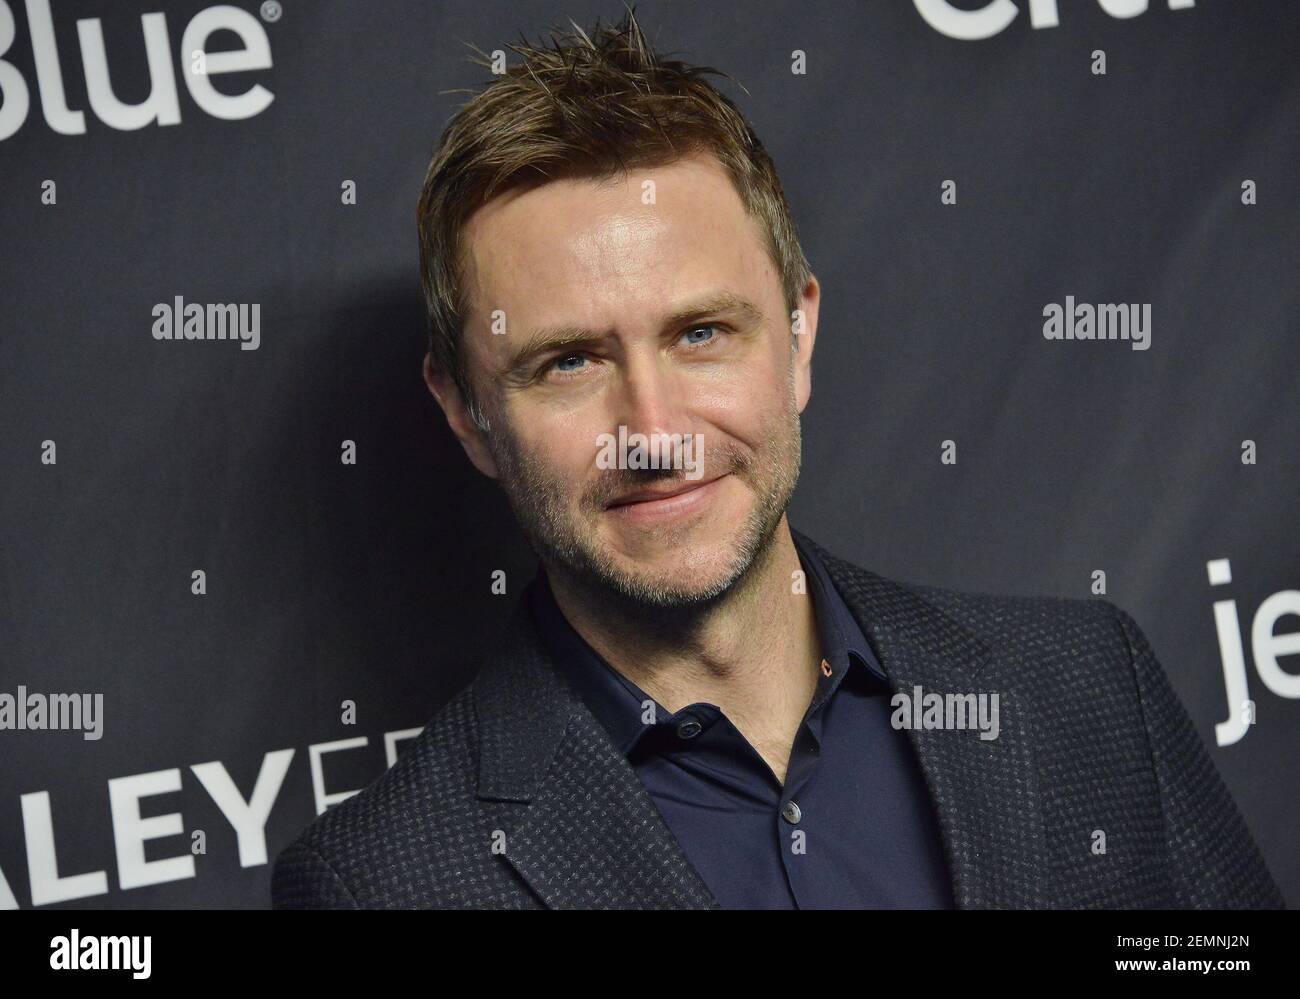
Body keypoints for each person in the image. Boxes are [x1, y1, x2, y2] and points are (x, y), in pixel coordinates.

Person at [271, 10, 1283, 909]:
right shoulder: (384, 885)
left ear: (796, 336)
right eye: (568, 361)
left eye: (702, 333)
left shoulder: (1085, 690)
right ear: (467, 417)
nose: (654, 429)